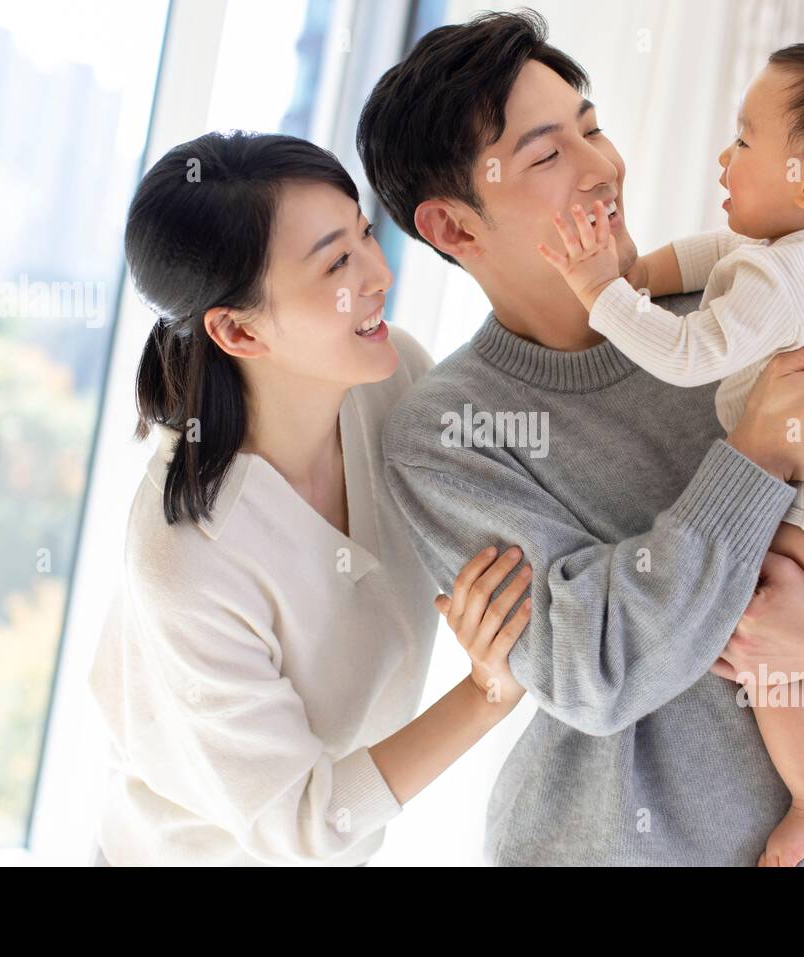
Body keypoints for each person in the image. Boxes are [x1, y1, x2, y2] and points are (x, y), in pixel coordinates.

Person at [356, 10, 804, 865]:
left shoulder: (760, 304)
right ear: (452, 227)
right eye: (549, 154)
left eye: (593, 128)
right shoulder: (450, 434)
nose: (603, 169)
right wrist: (758, 458)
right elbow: (593, 669)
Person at [88, 131, 531, 866]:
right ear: (236, 328)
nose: (379, 274)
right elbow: (309, 825)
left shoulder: (393, 382)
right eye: (336, 263)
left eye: (364, 235)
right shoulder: (188, 558)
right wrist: (487, 691)